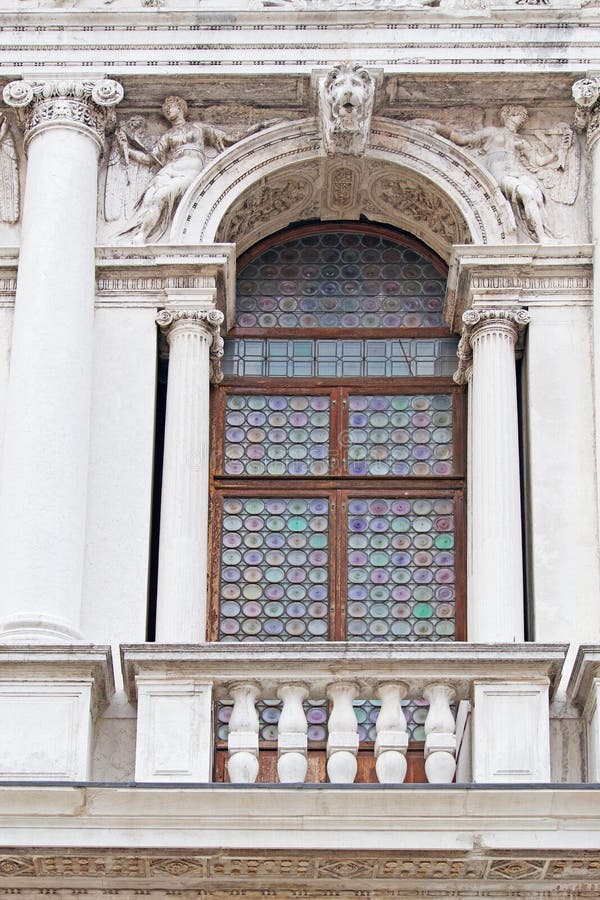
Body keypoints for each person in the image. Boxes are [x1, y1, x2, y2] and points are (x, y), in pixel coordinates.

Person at [120, 96, 270, 243]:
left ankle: (142, 236)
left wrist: (257, 128)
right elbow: (150, 159)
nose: (167, 111)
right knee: (150, 199)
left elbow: (229, 138)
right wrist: (127, 149)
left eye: (169, 107)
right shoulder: (168, 135)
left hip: (190, 169)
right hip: (169, 169)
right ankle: (141, 235)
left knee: (162, 196)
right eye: (165, 109)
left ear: (180, 108)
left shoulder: (198, 127)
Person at [436, 105, 559, 242]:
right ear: (505, 118)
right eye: (513, 119)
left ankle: (544, 234)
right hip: (501, 175)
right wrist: (436, 127)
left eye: (519, 122)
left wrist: (558, 152)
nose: (515, 124)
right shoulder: (492, 132)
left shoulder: (520, 140)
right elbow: (462, 139)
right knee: (526, 194)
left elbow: (538, 161)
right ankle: (541, 236)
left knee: (537, 195)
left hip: (516, 172)